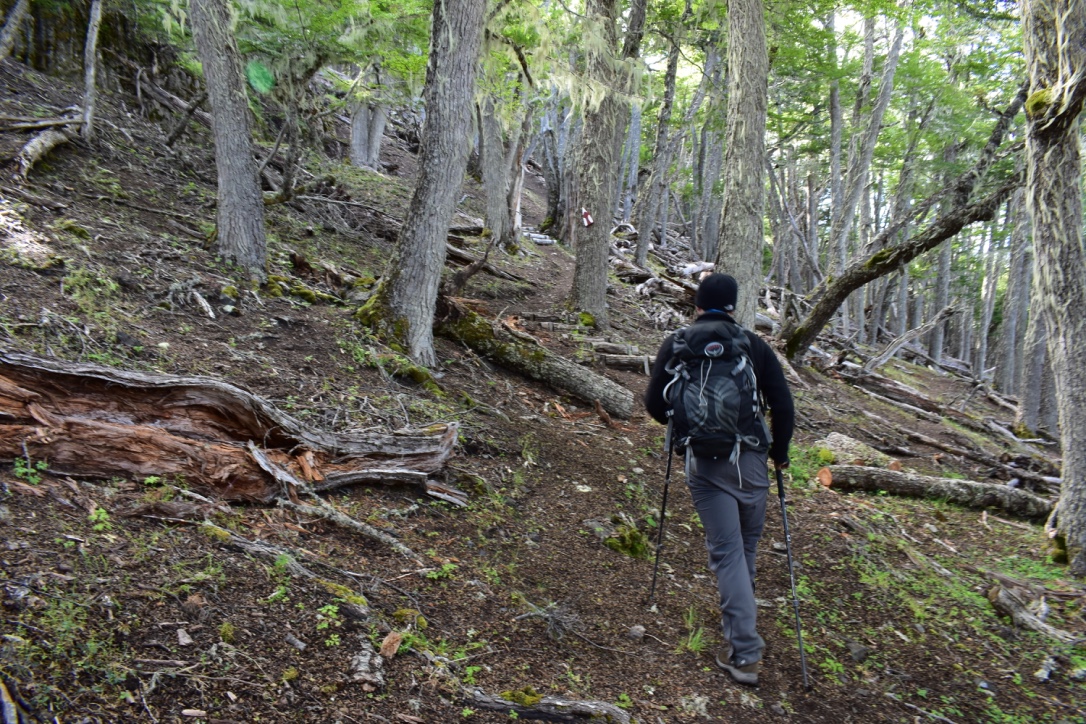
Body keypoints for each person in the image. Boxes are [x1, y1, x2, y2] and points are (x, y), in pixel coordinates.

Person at [644, 273, 794, 686]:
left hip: (706, 466)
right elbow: (782, 404)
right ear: (733, 306)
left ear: (696, 304)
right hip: (751, 462)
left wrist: (683, 424)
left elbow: (654, 404)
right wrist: (778, 454)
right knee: (743, 547)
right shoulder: (753, 345)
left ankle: (744, 650)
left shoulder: (678, 344)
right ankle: (740, 635)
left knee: (727, 552)